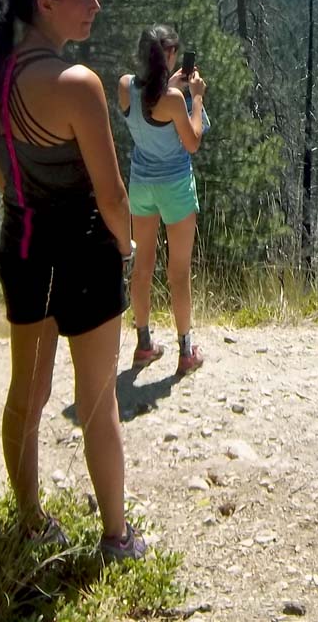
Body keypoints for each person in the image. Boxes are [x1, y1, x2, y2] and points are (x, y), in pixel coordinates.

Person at [0, 0, 146, 562]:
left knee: (27, 395)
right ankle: (116, 538)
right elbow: (112, 193)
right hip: (83, 249)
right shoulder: (75, 84)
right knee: (97, 400)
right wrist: (128, 245)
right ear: (46, 4)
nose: (96, 4)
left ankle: (31, 522)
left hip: (23, 242)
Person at [117, 24, 208, 377]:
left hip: (141, 185)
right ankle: (186, 350)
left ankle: (143, 344)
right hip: (174, 187)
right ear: (169, 56)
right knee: (179, 271)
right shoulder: (173, 101)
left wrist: (171, 86)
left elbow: (147, 106)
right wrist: (196, 97)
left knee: (142, 267)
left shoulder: (125, 87)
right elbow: (193, 141)